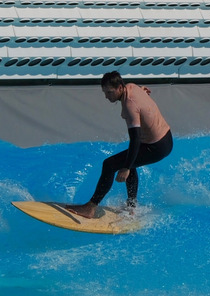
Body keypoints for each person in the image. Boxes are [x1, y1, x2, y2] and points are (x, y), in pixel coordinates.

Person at [67, 71, 173, 217]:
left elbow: (135, 139)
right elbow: (140, 95)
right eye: (104, 93)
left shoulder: (130, 106)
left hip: (156, 147)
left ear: (120, 87)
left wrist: (126, 168)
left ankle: (90, 207)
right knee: (129, 159)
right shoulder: (132, 87)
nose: (106, 96)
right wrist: (142, 92)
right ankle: (131, 206)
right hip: (166, 138)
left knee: (110, 164)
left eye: (109, 92)